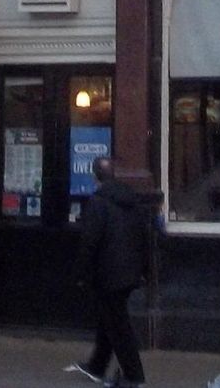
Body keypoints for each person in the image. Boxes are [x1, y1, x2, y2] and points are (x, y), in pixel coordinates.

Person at [67, 157, 149, 388]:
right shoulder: (132, 202)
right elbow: (143, 237)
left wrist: (80, 273)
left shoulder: (98, 203)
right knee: (110, 319)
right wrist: (143, 270)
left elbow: (90, 241)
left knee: (118, 326)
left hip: (108, 274)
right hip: (129, 273)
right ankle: (97, 366)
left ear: (95, 177)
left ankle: (134, 377)